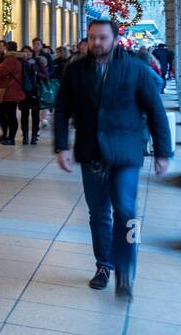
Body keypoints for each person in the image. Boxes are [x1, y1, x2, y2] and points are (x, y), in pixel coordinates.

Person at [54, 18, 172, 299]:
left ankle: (125, 269)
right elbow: (62, 109)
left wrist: (163, 151)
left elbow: (155, 110)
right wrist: (62, 146)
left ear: (116, 39)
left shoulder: (135, 69)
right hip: (91, 152)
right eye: (92, 37)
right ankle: (103, 265)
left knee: (126, 212)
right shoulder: (76, 70)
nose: (96, 43)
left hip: (125, 152)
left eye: (102, 38)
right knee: (98, 214)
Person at [0, 43, 24, 145]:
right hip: (8, 92)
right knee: (6, 115)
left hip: (8, 92)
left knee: (9, 115)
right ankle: (6, 136)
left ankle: (10, 138)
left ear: (7, 49)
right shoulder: (16, 59)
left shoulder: (10, 60)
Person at [19, 46, 42, 145]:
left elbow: (45, 74)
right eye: (24, 52)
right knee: (24, 115)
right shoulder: (19, 64)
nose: (26, 54)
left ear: (32, 53)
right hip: (23, 92)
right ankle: (25, 136)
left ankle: (34, 137)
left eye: (28, 52)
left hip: (35, 92)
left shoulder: (37, 62)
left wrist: (36, 69)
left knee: (35, 115)